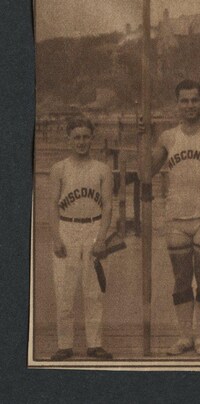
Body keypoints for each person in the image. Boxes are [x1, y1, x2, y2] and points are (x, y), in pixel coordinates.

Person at [146, 79, 200, 356]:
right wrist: (143, 140)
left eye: (194, 100)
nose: (189, 106)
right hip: (176, 216)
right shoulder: (168, 137)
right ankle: (185, 336)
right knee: (181, 277)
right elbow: (144, 172)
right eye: (184, 101)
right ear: (177, 104)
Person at [47, 117, 114, 360]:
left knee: (94, 291)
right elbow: (53, 206)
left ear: (92, 139)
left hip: (94, 227)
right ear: (69, 139)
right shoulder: (59, 169)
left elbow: (107, 206)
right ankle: (64, 345)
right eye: (77, 137)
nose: (81, 142)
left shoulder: (102, 169)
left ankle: (94, 344)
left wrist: (102, 237)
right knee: (64, 290)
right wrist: (55, 237)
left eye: (86, 137)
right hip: (67, 228)